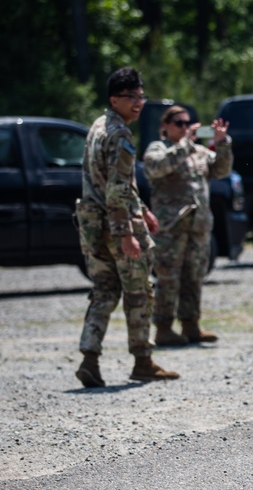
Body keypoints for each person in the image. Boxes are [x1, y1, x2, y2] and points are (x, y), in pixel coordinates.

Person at [74, 67, 179, 387]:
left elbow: (110, 181)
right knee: (139, 292)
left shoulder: (98, 126)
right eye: (130, 97)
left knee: (104, 291)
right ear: (114, 100)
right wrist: (126, 235)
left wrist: (144, 210)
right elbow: (117, 189)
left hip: (92, 222)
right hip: (115, 222)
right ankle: (142, 361)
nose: (138, 103)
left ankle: (89, 359)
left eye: (140, 96)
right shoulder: (120, 134)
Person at [143, 106, 233, 345]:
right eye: (178, 123)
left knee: (194, 276)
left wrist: (222, 143)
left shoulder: (199, 152)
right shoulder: (159, 149)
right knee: (168, 277)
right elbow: (155, 167)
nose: (184, 127)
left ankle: (191, 325)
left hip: (198, 226)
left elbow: (222, 170)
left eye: (187, 123)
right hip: (171, 227)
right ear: (165, 126)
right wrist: (185, 145)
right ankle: (163, 328)